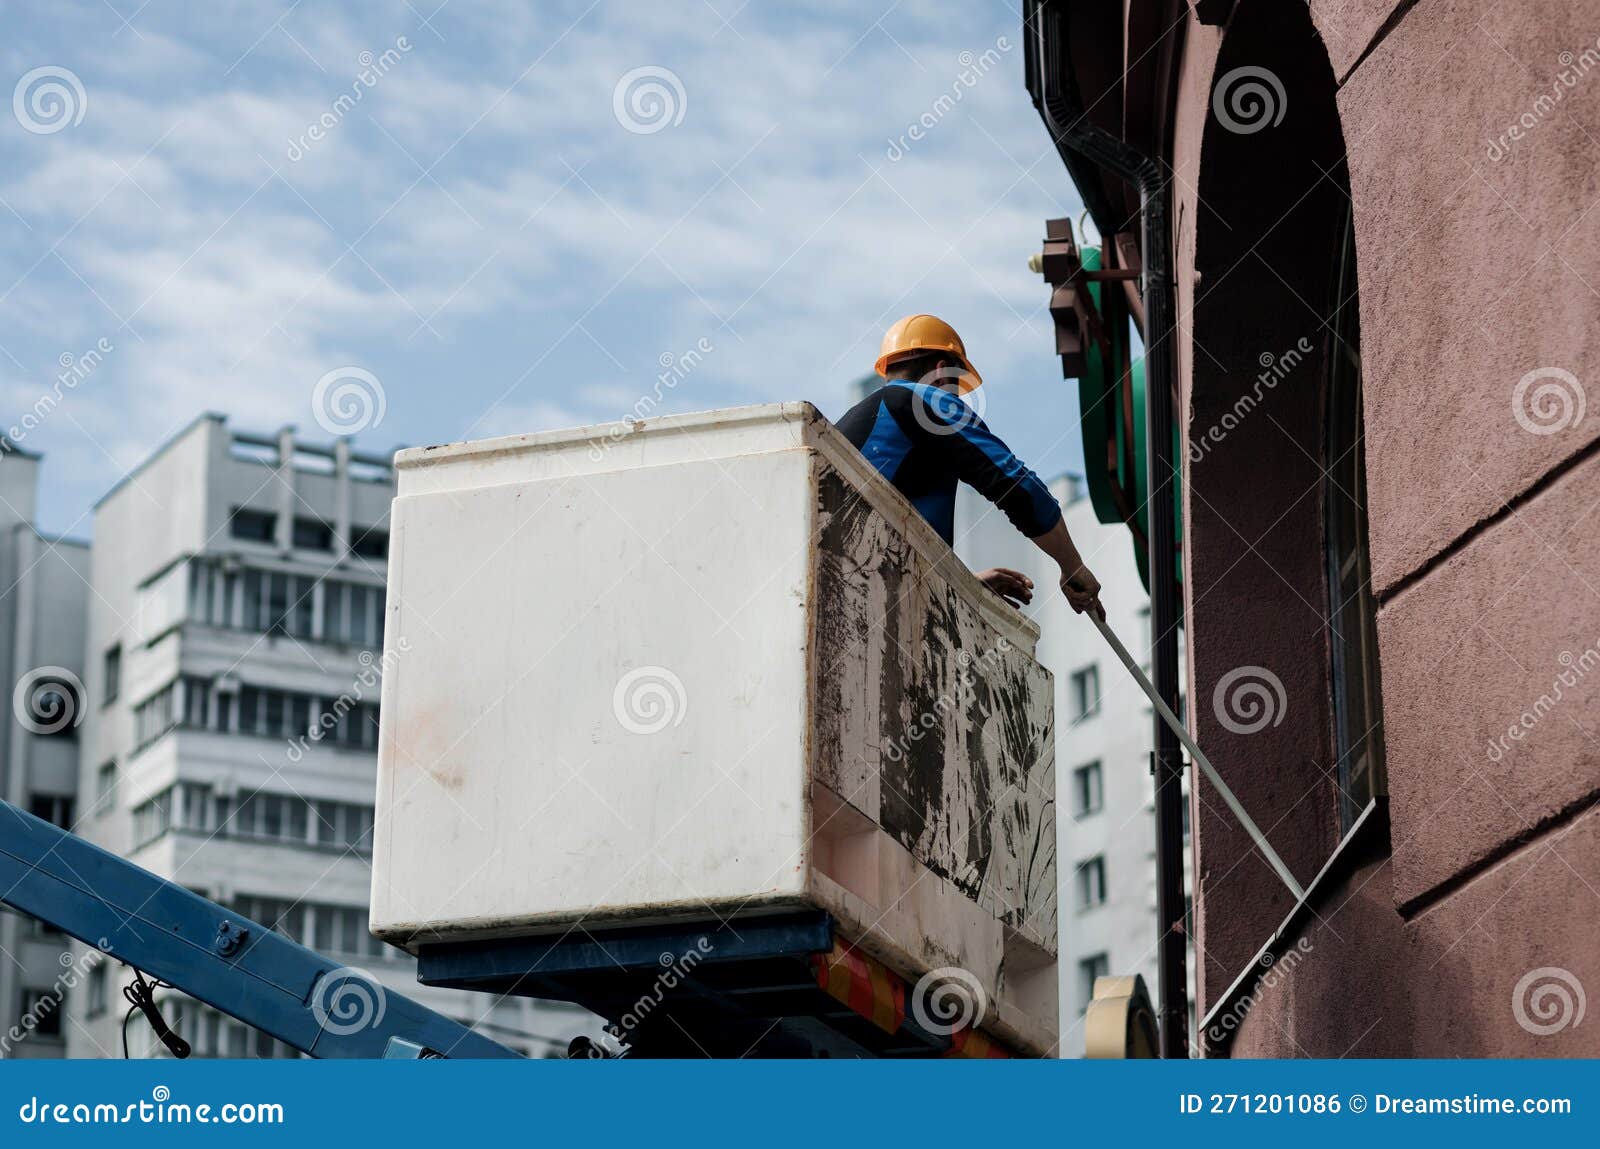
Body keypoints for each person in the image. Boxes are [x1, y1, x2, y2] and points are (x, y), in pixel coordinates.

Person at [836, 314, 1104, 618]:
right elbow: (1014, 484)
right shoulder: (923, 398)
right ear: (941, 371)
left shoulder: (852, 425)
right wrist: (1072, 565)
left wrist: (963, 584)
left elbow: (884, 528)